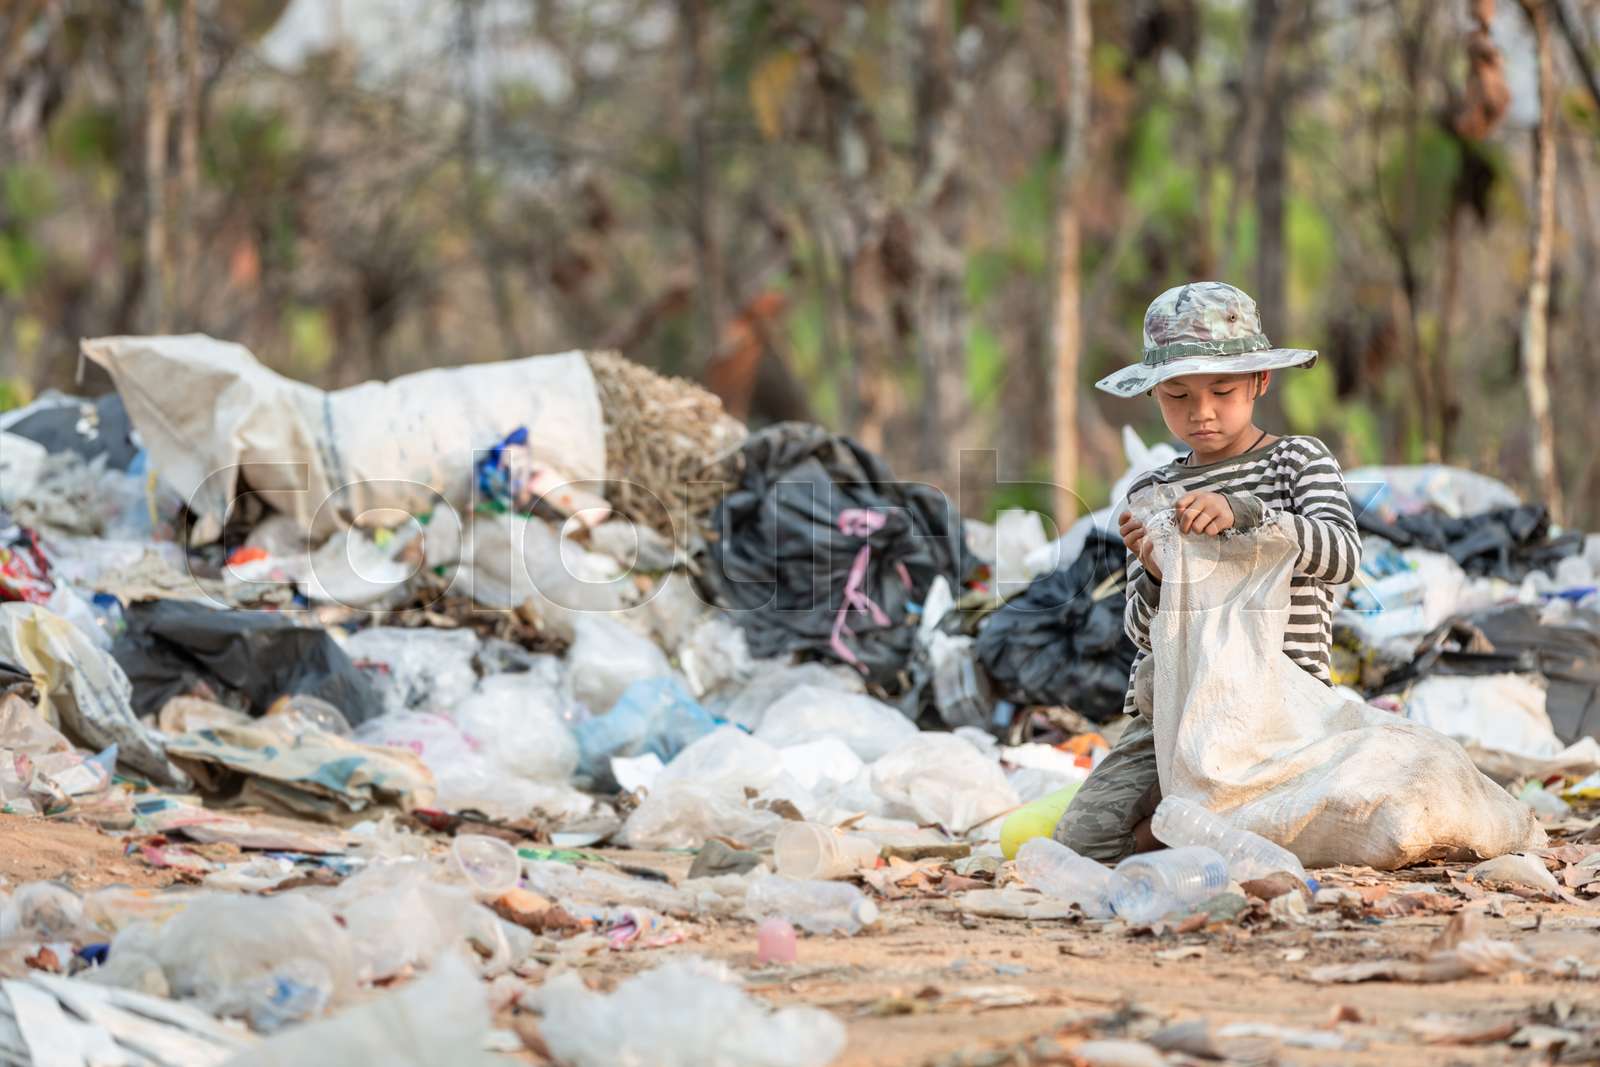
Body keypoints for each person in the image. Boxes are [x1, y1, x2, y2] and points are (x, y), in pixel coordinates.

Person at [1053, 281, 1360, 863]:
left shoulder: (1296, 461)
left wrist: (1248, 515)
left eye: (1222, 391)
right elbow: (1141, 633)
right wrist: (1156, 575)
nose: (1202, 413)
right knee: (1083, 842)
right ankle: (1194, 826)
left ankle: (1205, 824)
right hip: (1176, 705)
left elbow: (1342, 557)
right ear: (1154, 393)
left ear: (1259, 381)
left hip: (1279, 700)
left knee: (1302, 814)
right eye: (1177, 395)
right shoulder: (1153, 490)